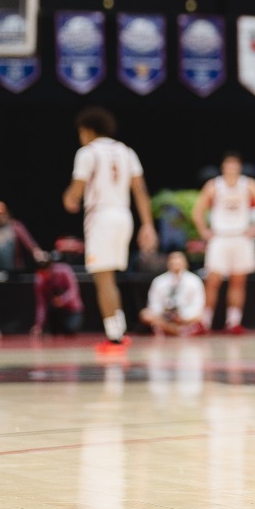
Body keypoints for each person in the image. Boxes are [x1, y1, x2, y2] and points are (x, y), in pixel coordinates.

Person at [62, 107, 157, 356]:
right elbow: (141, 191)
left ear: (88, 130)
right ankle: (119, 332)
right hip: (124, 216)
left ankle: (114, 338)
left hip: (101, 216)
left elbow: (76, 191)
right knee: (110, 277)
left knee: (102, 278)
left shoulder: (87, 152)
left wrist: (69, 199)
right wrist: (147, 225)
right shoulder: (127, 151)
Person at [193, 152, 255, 335]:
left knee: (238, 282)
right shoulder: (214, 185)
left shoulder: (248, 184)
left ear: (239, 167)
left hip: (240, 237)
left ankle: (233, 321)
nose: (231, 168)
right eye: (228, 165)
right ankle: (205, 321)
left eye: (234, 165)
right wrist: (203, 231)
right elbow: (197, 210)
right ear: (223, 167)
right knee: (212, 281)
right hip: (220, 237)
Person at [140, 250, 206, 337]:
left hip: (185, 316)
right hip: (165, 316)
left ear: (185, 263)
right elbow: (153, 303)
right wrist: (164, 313)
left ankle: (171, 329)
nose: (176, 265)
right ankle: (175, 330)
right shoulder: (159, 281)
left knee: (202, 315)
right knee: (145, 314)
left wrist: (182, 316)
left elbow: (198, 304)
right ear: (168, 264)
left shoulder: (194, 281)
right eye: (173, 262)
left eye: (178, 262)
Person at [0, 201, 45, 274]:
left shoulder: (16, 227)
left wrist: (38, 254)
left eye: (1, 214)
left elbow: (30, 244)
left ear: (7, 214)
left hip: (14, 273)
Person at [32, 257, 83, 337]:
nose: (43, 276)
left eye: (45, 272)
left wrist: (63, 299)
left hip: (72, 309)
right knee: (53, 332)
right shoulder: (40, 280)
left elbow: (74, 290)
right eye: (41, 273)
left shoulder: (64, 270)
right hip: (55, 310)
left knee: (71, 330)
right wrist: (39, 324)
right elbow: (41, 304)